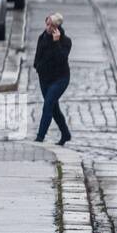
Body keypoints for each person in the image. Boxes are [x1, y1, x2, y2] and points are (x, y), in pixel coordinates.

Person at [33, 13, 72, 145]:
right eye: (47, 24)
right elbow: (37, 56)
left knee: (48, 103)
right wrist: (37, 67)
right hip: (44, 78)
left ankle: (40, 137)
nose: (47, 27)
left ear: (57, 27)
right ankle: (65, 134)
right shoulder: (42, 37)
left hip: (60, 78)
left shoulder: (66, 41)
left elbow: (61, 59)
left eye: (51, 25)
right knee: (54, 108)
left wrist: (56, 43)